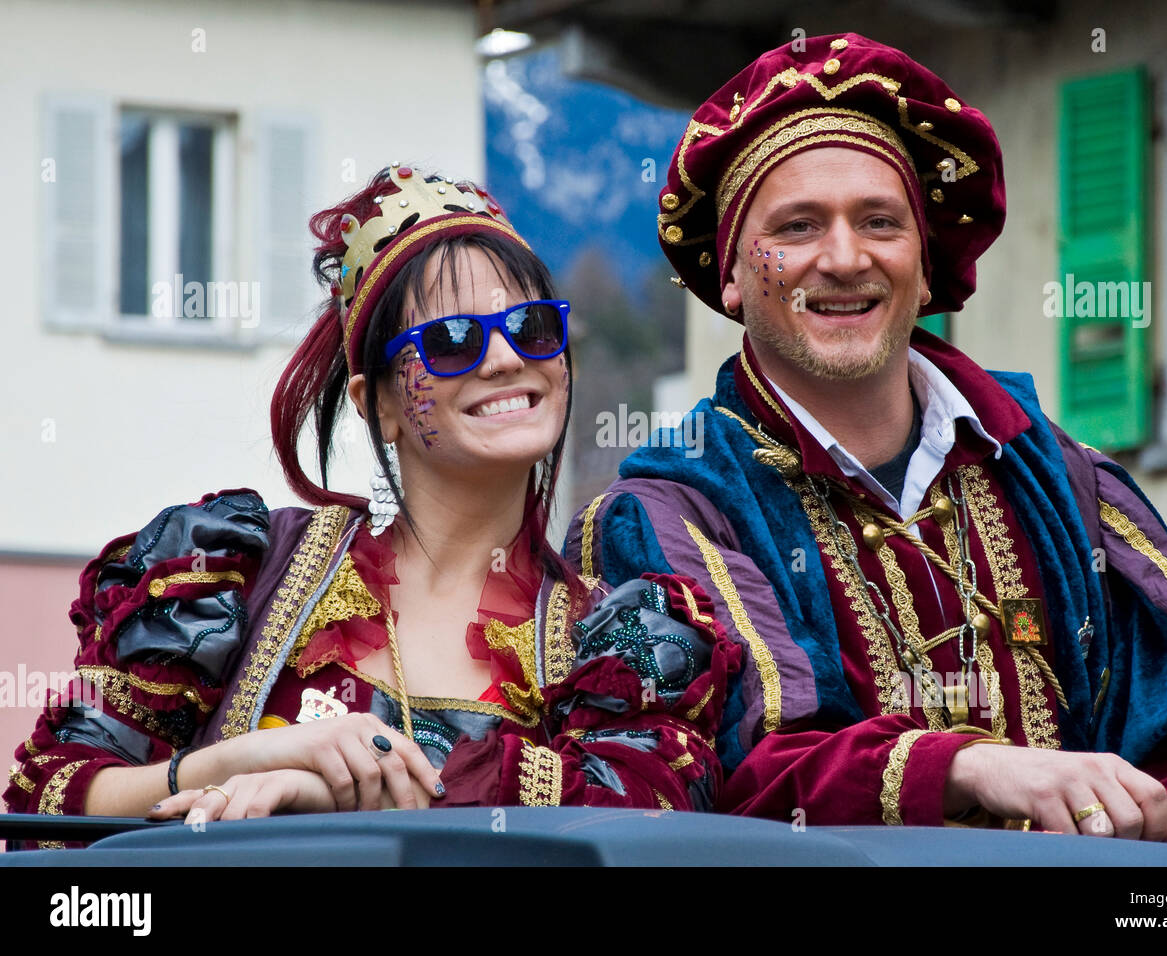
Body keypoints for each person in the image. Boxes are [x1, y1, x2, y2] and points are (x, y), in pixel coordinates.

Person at [569, 34, 1167, 838]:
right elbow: (739, 769)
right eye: (799, 227)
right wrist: (969, 765)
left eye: (879, 221)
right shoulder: (675, 515)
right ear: (731, 273)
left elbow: (1164, 725)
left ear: (925, 258)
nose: (844, 259)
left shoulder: (1061, 478)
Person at [4, 164, 738, 843]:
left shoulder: (621, 642)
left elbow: (637, 832)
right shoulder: (233, 573)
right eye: (452, 339)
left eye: (531, 327)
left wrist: (326, 793)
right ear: (376, 403)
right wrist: (237, 761)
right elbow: (48, 801)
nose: (507, 357)